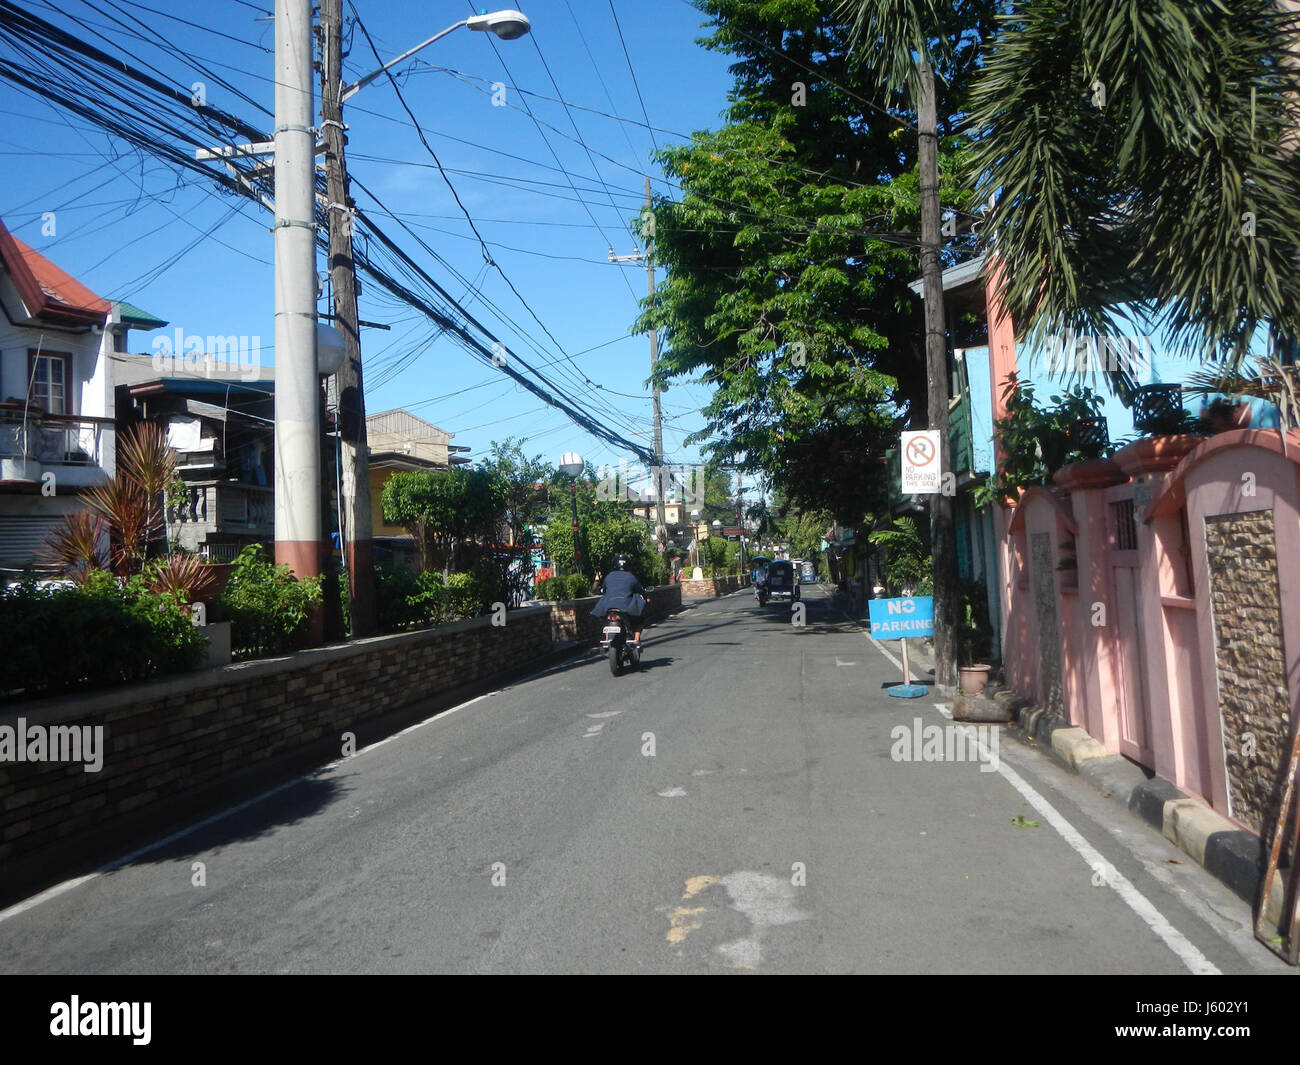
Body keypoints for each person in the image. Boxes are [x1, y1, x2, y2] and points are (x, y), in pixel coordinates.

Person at [590, 555, 648, 647]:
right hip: (625, 607)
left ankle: (606, 638)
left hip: (608, 607)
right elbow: (640, 590)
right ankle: (637, 640)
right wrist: (646, 597)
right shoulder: (631, 577)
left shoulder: (608, 577)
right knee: (639, 619)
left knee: (604, 620)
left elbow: (603, 591)